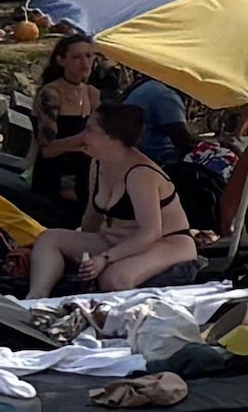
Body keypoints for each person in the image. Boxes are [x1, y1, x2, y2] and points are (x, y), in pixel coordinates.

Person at [20, 94, 202, 296]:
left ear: (111, 138)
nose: (83, 136)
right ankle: (36, 297)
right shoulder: (99, 162)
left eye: (89, 130)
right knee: (49, 239)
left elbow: (150, 232)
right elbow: (93, 214)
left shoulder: (141, 174)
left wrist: (105, 258)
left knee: (113, 279)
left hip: (166, 245)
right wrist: (81, 247)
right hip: (117, 240)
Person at [25, 29, 107, 226]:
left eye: (89, 56)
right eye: (77, 57)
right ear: (62, 61)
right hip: (54, 174)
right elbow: (48, 149)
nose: (85, 63)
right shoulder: (52, 94)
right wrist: (84, 141)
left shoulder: (92, 93)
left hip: (86, 174)